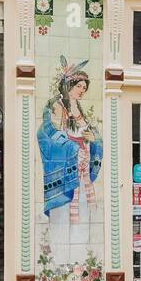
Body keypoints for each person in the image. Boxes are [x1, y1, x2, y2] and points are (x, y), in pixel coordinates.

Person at [38, 57, 101, 225]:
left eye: (84, 88)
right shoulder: (59, 106)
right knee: (71, 201)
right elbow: (51, 133)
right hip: (70, 161)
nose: (82, 90)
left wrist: (93, 139)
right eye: (79, 86)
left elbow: (92, 131)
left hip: (84, 159)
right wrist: (73, 145)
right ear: (69, 86)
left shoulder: (79, 107)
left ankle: (84, 239)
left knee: (85, 201)